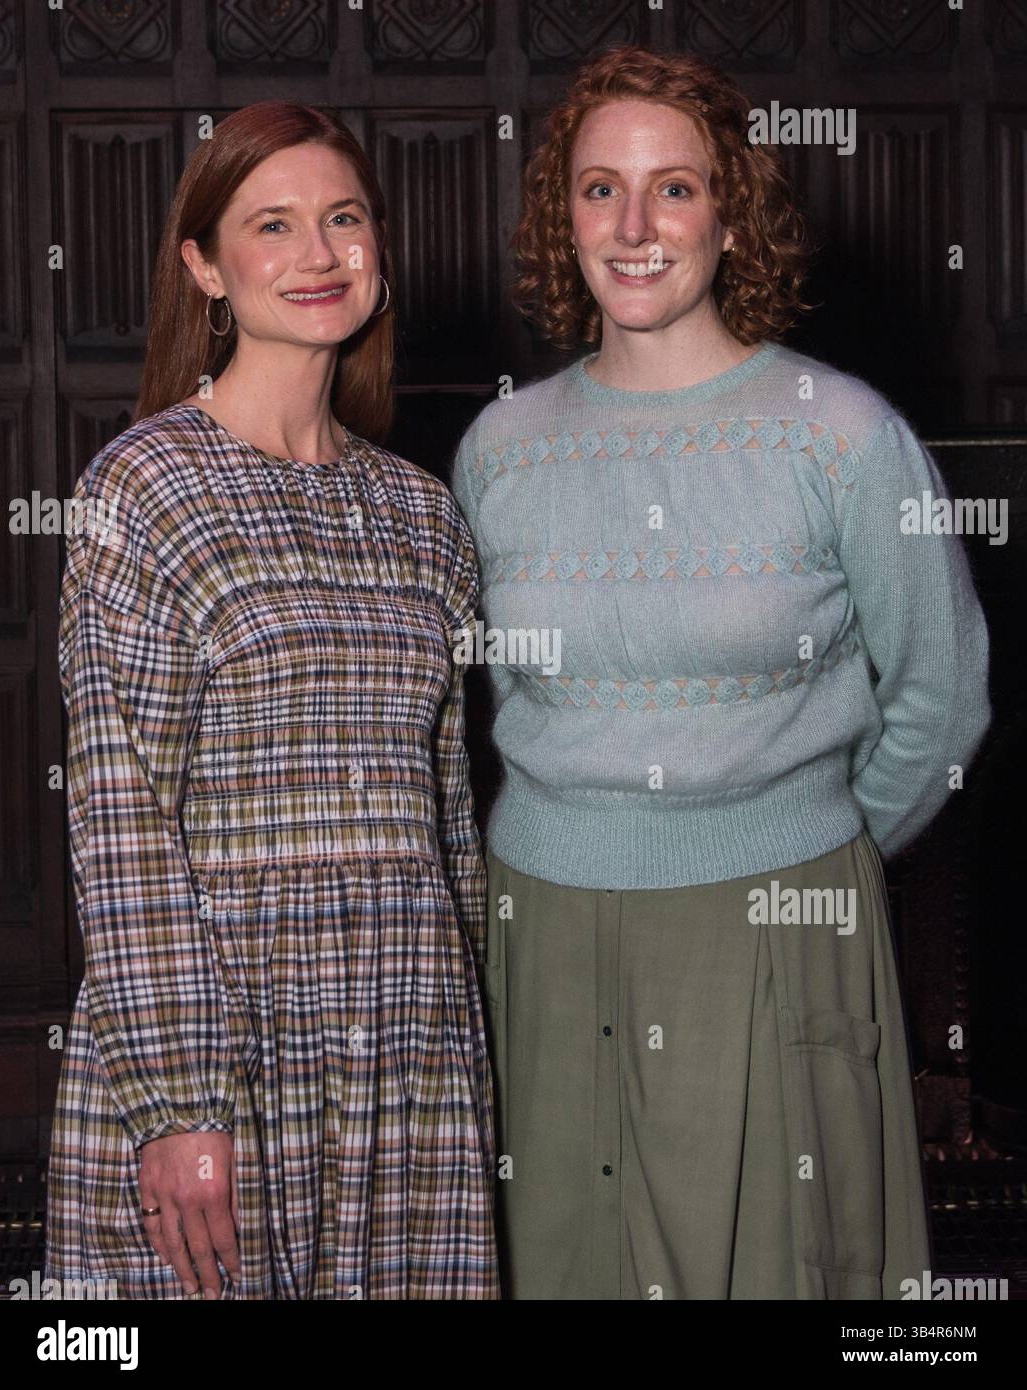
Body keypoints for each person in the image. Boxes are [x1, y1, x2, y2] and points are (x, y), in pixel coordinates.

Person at [451, 46, 991, 1300]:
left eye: (674, 189)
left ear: (730, 213)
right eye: (598, 190)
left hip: (775, 921)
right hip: (546, 926)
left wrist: (817, 845)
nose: (633, 227)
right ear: (559, 217)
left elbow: (942, 695)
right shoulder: (498, 449)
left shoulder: (841, 433)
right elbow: (498, 709)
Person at [44, 100, 498, 1300]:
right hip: (221, 1030)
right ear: (205, 265)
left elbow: (447, 822)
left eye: (342, 219)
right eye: (273, 225)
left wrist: (477, 1047)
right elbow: (122, 819)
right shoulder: (141, 488)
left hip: (408, 1043)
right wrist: (180, 1101)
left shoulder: (423, 513)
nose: (317, 254)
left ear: (378, 246)